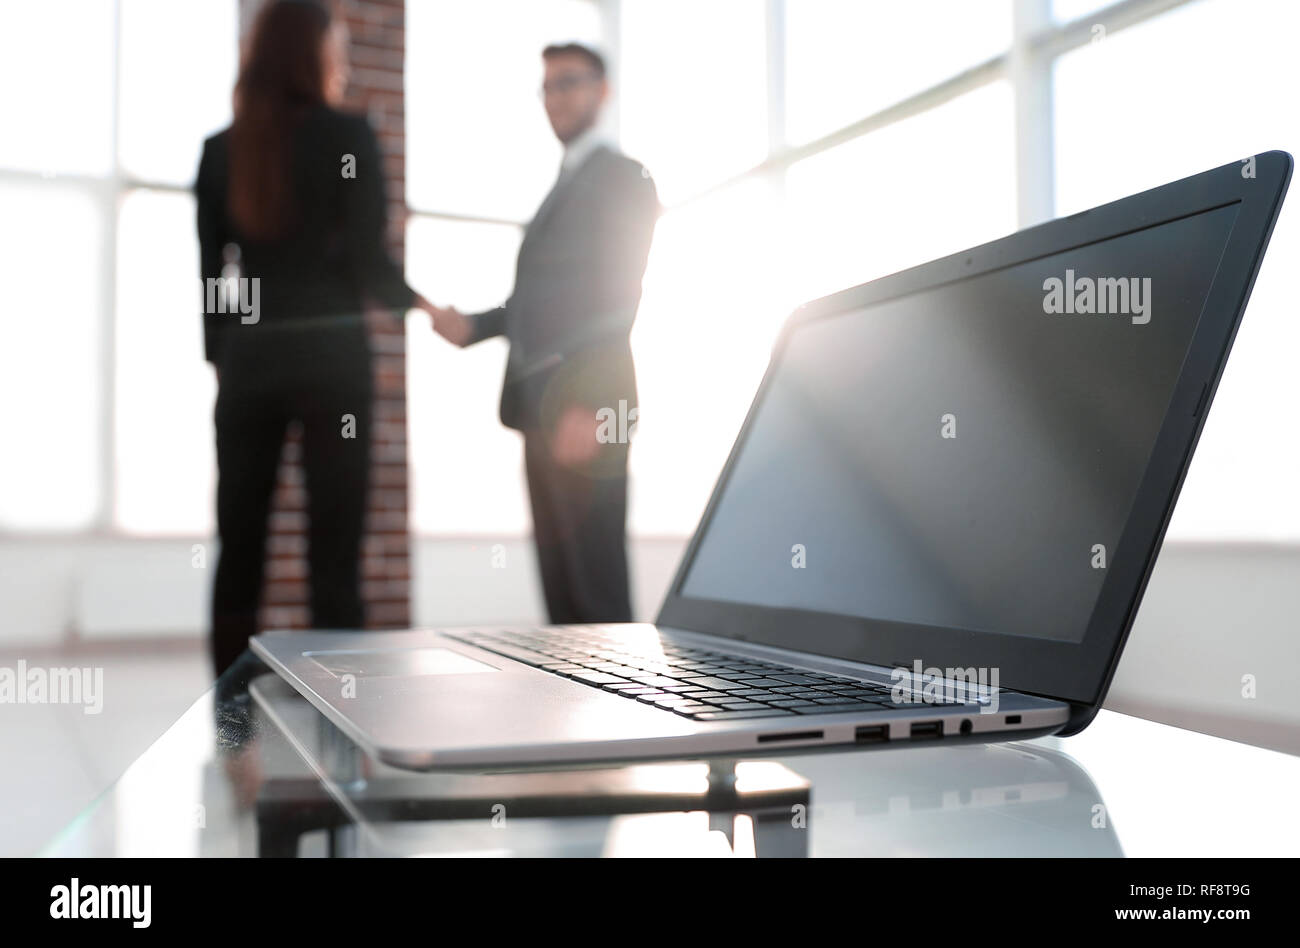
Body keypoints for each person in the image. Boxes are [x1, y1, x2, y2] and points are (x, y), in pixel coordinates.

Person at [195, 0, 436, 679]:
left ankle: (231, 718)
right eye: (337, 44)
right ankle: (342, 716)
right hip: (335, 367)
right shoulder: (349, 136)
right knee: (335, 552)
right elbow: (372, 266)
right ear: (315, 50)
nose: (344, 59)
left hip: (251, 363)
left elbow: (216, 281)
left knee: (240, 545)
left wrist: (227, 356)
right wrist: (428, 309)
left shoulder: (221, 150)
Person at [430, 43, 659, 625]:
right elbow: (541, 301)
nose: (556, 97)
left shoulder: (622, 176)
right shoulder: (564, 185)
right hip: (541, 406)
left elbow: (619, 291)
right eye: (548, 87)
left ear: (603, 91)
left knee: (596, 585)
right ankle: (576, 714)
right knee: (563, 594)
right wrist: (474, 327)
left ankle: (628, 715)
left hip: (587, 407)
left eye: (569, 82)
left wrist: (587, 399)